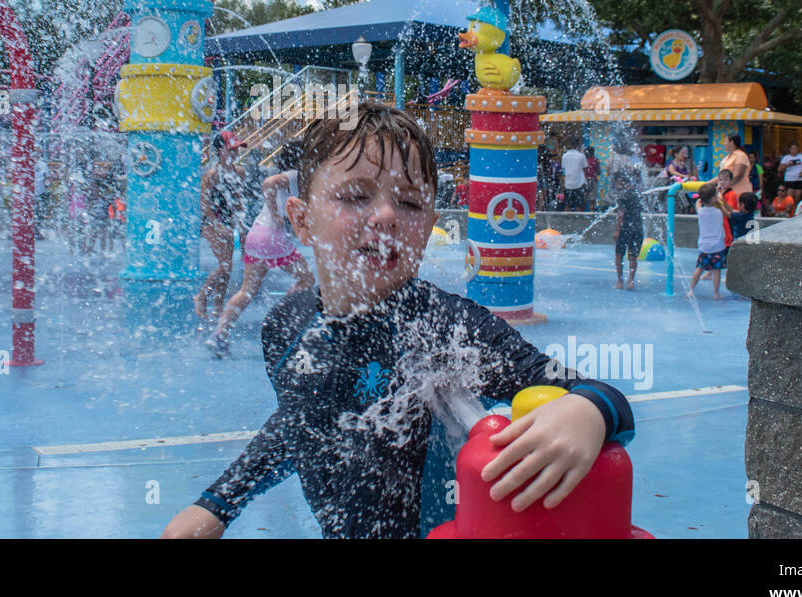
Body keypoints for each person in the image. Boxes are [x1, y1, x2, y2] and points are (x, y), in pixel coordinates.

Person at [161, 103, 635, 539]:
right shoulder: (286, 326)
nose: (386, 215)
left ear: (427, 227)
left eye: (409, 204)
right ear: (301, 221)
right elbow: (302, 420)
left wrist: (590, 411)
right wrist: (219, 502)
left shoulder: (445, 327)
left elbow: (590, 391)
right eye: (355, 195)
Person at [209, 139, 316, 358]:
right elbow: (268, 183)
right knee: (307, 280)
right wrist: (275, 214)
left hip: (256, 235)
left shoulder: (298, 180)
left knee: (247, 291)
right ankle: (285, 321)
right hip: (271, 236)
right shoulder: (294, 175)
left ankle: (219, 336)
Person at [194, 131, 251, 324]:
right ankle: (202, 296)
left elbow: (238, 202)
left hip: (228, 222)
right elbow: (204, 203)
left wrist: (242, 228)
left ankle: (217, 308)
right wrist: (217, 225)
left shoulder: (239, 172)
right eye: (231, 149)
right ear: (220, 151)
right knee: (226, 265)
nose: (235, 153)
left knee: (226, 269)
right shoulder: (212, 175)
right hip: (212, 224)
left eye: (237, 150)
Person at [688, 183, 728, 301]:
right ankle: (716, 293)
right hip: (717, 246)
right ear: (714, 198)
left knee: (699, 269)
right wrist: (719, 196)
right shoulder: (719, 212)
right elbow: (721, 206)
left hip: (704, 246)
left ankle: (691, 290)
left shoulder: (701, 212)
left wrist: (703, 197)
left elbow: (698, 203)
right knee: (716, 271)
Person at [612, 172, 642, 291]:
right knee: (633, 256)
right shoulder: (636, 194)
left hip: (625, 229)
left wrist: (617, 230)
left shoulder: (621, 195)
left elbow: (621, 214)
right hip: (637, 228)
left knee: (619, 255)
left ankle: (620, 281)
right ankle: (631, 280)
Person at [560, 140, 588, 211]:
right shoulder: (581, 156)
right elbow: (585, 168)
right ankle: (578, 220)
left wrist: (563, 182)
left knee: (567, 204)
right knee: (580, 204)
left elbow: (564, 169)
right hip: (579, 183)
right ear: (577, 146)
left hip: (568, 183)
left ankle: (566, 220)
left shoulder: (565, 156)